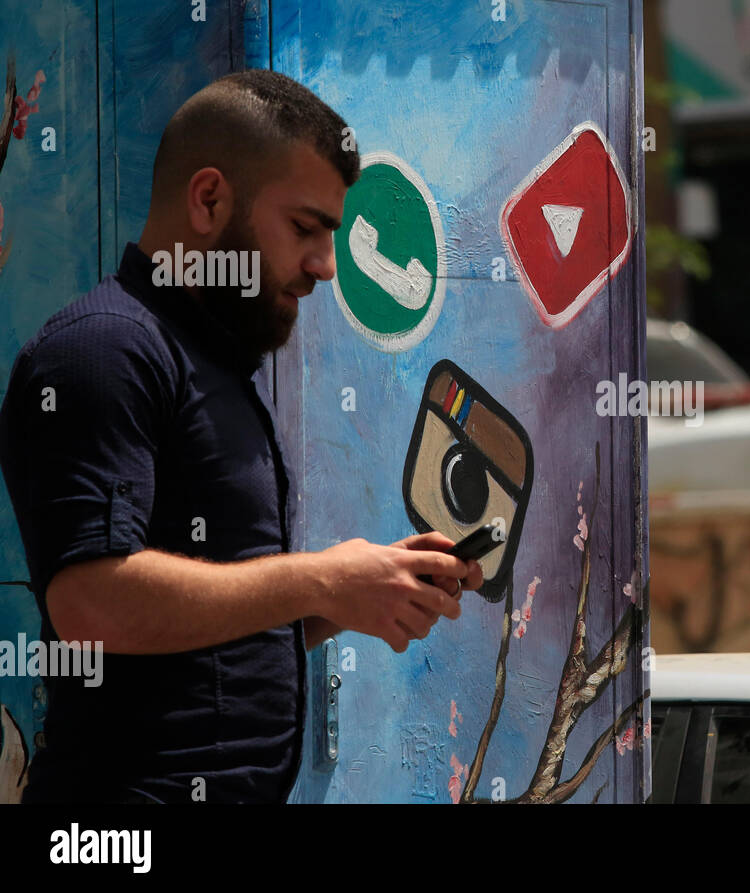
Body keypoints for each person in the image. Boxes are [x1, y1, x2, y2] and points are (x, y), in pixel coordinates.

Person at [0, 70, 483, 804]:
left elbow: (216, 630)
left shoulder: (215, 363)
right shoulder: (102, 350)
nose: (324, 266)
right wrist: (320, 577)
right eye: (304, 229)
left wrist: (361, 593)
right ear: (209, 200)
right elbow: (91, 605)